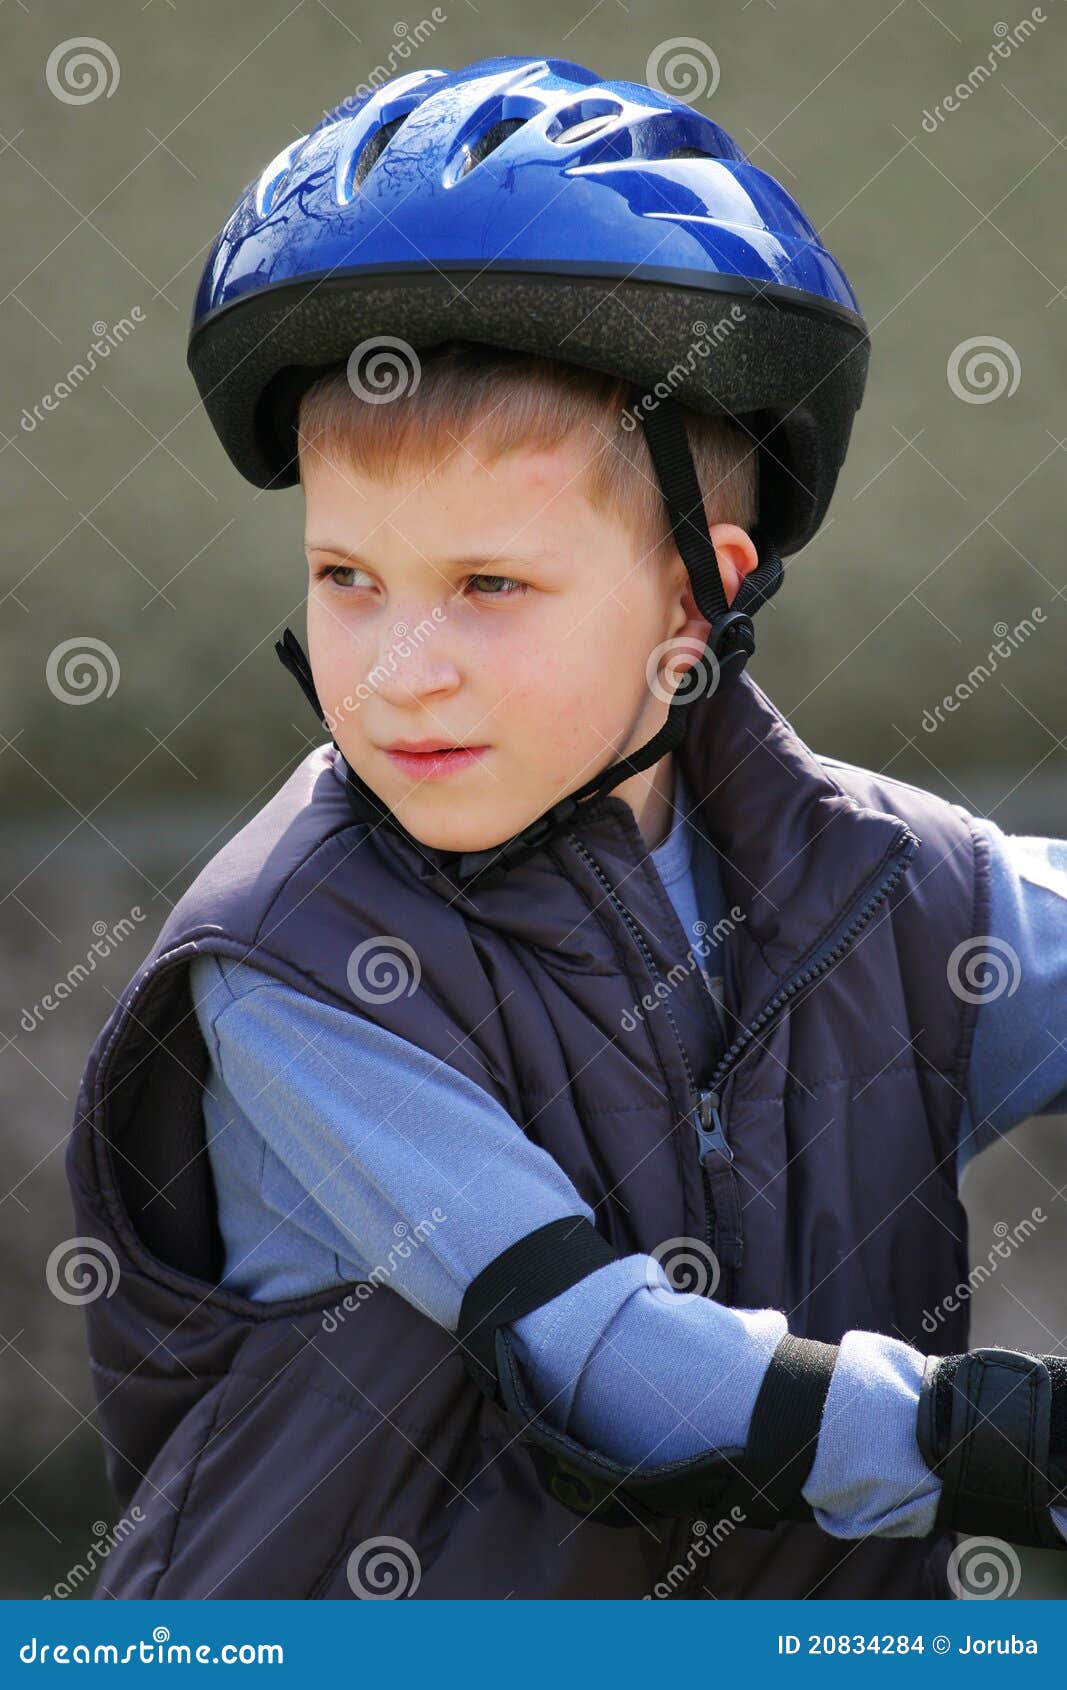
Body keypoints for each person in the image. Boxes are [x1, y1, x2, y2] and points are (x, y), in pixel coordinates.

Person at [66, 54, 1067, 1601]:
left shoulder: (892, 891)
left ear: (700, 594)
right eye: (347, 577)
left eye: (491, 586)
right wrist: (1001, 1438)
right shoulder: (297, 964)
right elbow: (606, 1364)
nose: (401, 669)